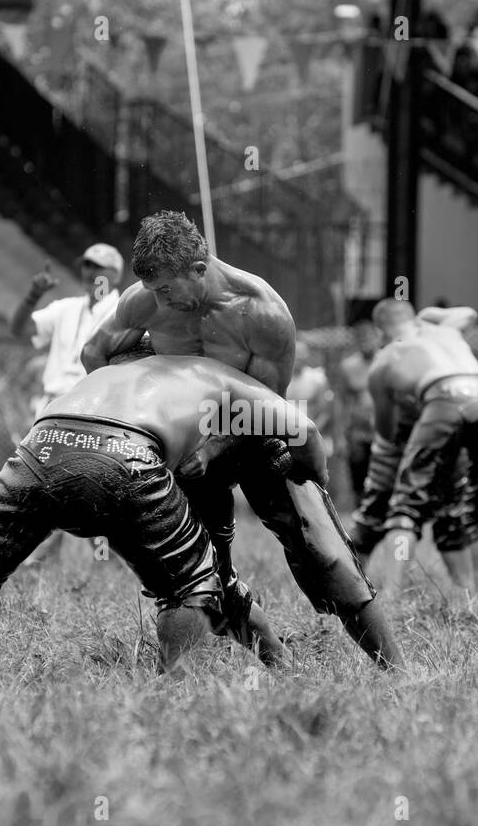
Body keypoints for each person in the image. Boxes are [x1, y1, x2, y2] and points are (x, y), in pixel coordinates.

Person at [0, 355, 328, 674]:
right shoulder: (222, 374)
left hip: (46, 443)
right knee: (192, 582)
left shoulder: (109, 367)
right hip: (127, 455)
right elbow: (304, 432)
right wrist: (303, 469)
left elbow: (91, 350)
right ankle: (177, 687)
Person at [81, 211, 403, 671]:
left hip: (255, 436)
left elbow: (270, 405)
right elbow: (94, 354)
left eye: (168, 289)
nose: (160, 300)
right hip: (186, 451)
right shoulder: (146, 301)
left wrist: (212, 444)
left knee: (327, 558)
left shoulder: (262, 313)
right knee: (199, 576)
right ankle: (278, 666)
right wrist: (149, 404)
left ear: (199, 268)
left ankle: (400, 674)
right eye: (153, 290)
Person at [350, 299, 478, 592]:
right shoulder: (445, 329)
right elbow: (470, 311)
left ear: (380, 332)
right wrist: (430, 316)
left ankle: (390, 594)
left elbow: (387, 434)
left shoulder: (386, 359)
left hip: (443, 397)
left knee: (405, 508)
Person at [10, 244, 123, 418]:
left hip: (95, 411)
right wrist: (33, 295)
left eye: (98, 267)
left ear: (116, 275)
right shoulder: (66, 308)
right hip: (51, 408)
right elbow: (19, 329)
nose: (90, 272)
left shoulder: (124, 312)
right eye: (86, 265)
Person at [339, 317, 380, 504]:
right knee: (359, 481)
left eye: (369, 338)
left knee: (383, 478)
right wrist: (341, 436)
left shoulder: (386, 362)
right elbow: (342, 403)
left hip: (383, 432)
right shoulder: (348, 367)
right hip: (357, 434)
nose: (366, 343)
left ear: (377, 337)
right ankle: (361, 520)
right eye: (361, 339)